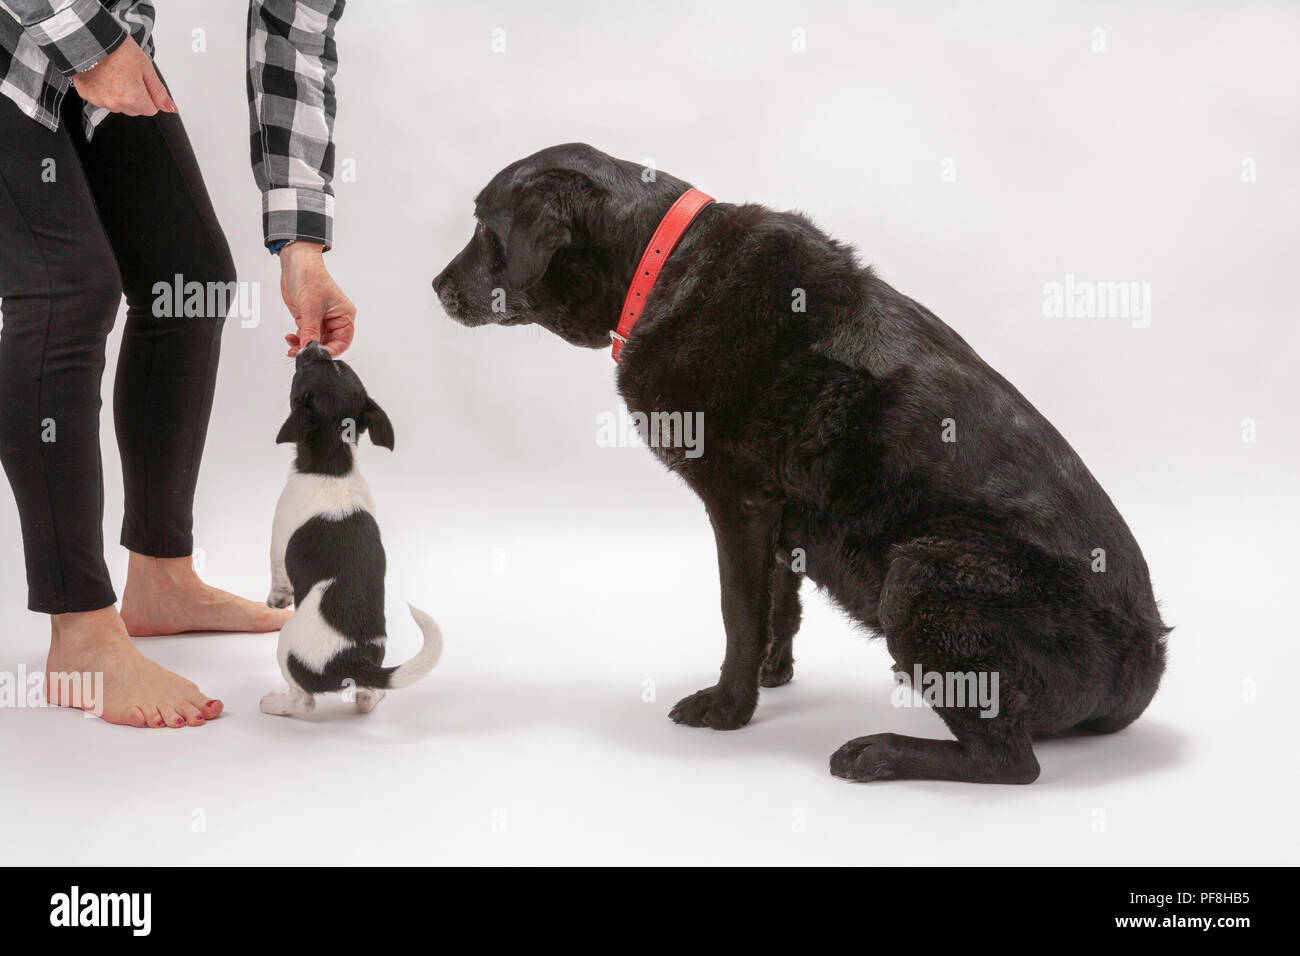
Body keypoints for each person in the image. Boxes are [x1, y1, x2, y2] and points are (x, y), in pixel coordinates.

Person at [0, 0, 352, 728]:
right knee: (66, 289)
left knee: (186, 279)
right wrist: (94, 49)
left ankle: (161, 578)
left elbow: (296, 30)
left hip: (92, 22)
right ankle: (81, 636)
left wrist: (302, 251)